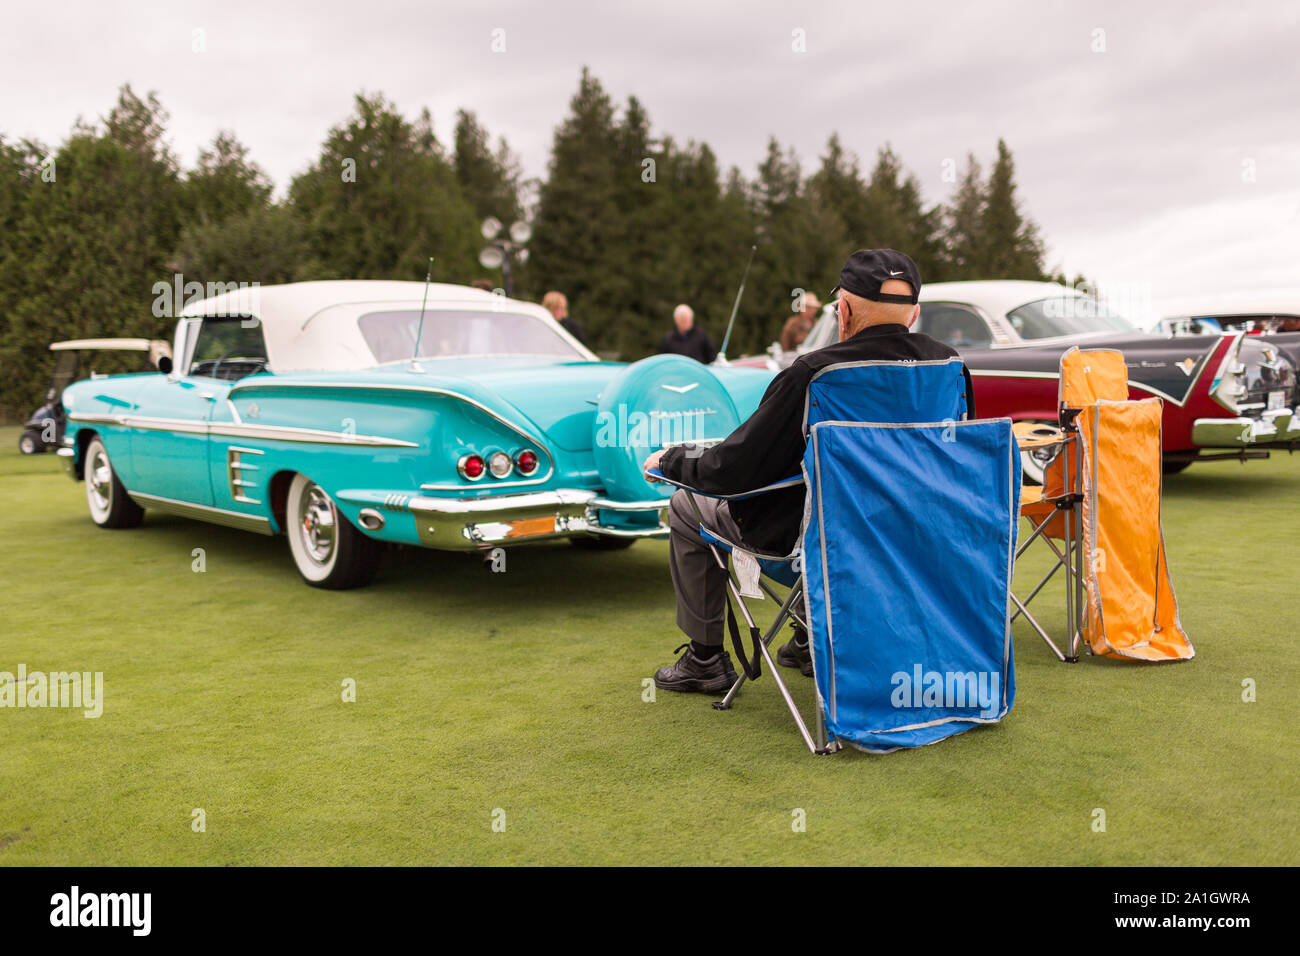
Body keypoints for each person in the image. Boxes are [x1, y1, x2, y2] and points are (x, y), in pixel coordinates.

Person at [642, 249, 976, 693]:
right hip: (915, 543)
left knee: (686, 504)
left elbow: (735, 471)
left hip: (821, 551)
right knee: (826, 500)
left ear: (845, 310)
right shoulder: (950, 368)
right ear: (913, 314)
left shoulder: (815, 374)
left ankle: (705, 660)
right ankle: (807, 635)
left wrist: (671, 462)